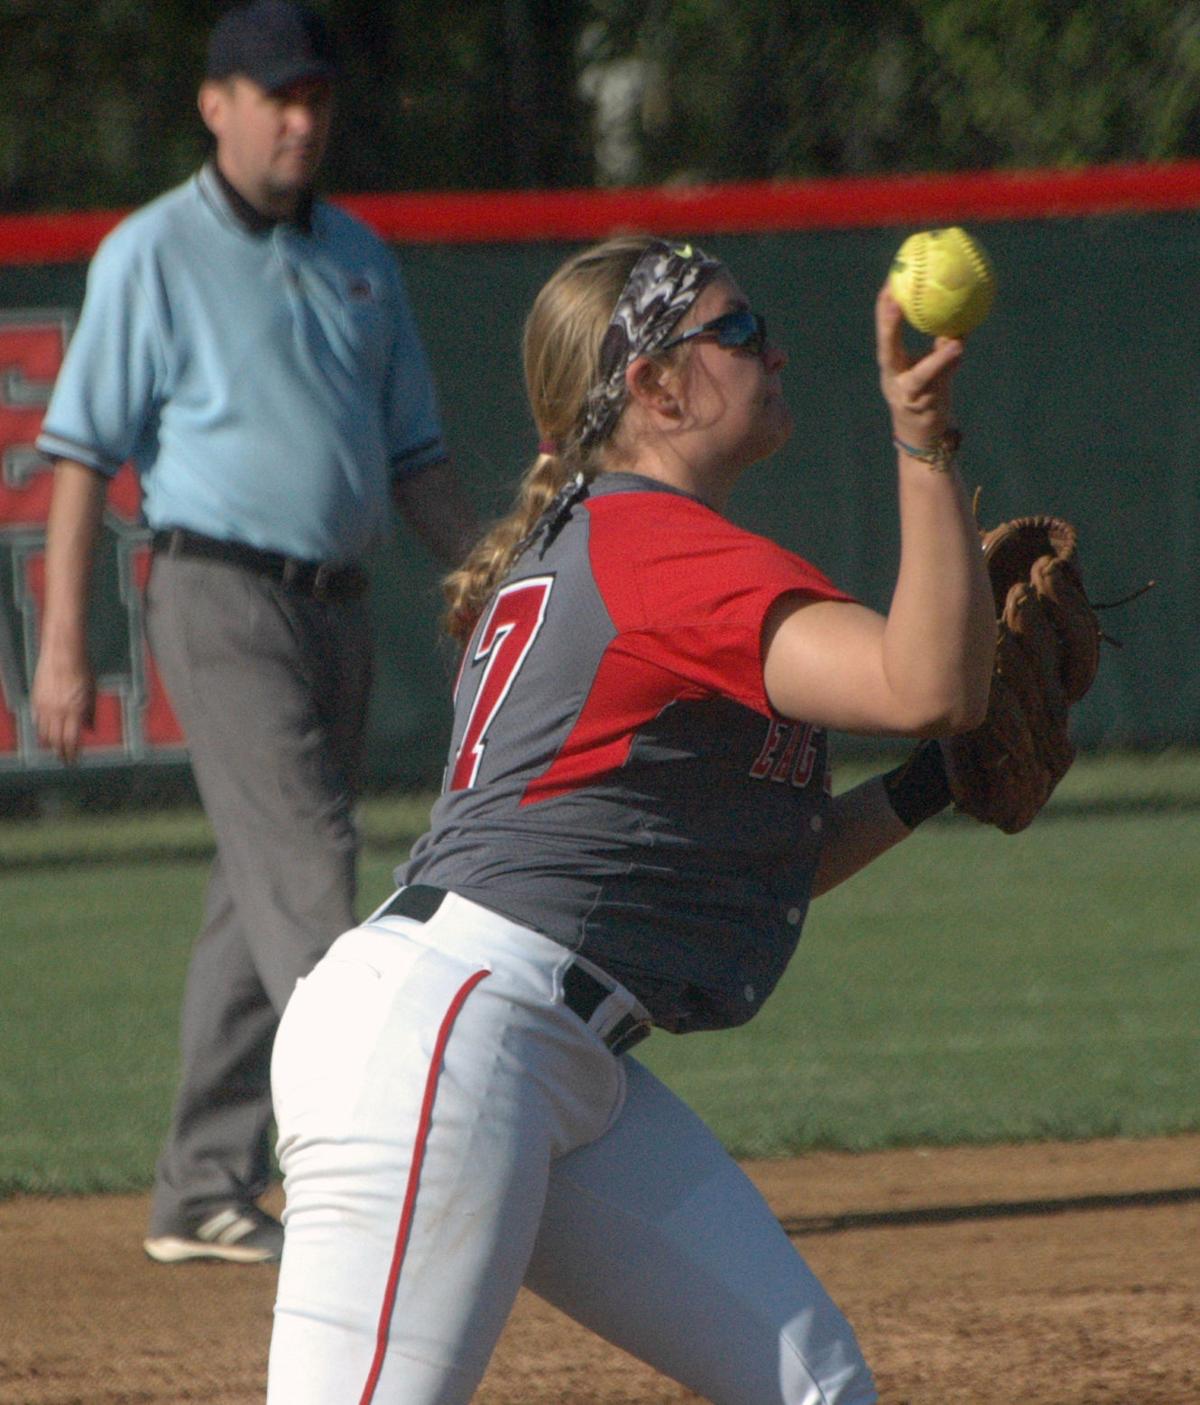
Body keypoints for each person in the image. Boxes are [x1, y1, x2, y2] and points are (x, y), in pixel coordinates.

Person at [265, 235, 995, 1404]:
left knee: (816, 1383)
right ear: (655, 386)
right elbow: (928, 687)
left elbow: (742, 867)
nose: (774, 350)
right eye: (738, 331)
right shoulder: (658, 548)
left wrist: (931, 786)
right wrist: (921, 439)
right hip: (452, 1040)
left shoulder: (606, 543)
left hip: (532, 1050)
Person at [31, 0, 477, 1266]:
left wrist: (497, 570)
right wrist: (65, 647)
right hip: (219, 594)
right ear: (214, 104)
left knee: (256, 889)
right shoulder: (151, 252)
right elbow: (78, 458)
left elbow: (418, 461)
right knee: (312, 869)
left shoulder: (360, 255)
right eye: (273, 95)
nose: (298, 117)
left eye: (315, 97)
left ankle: (201, 1187)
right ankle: (377, 1165)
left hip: (337, 603)